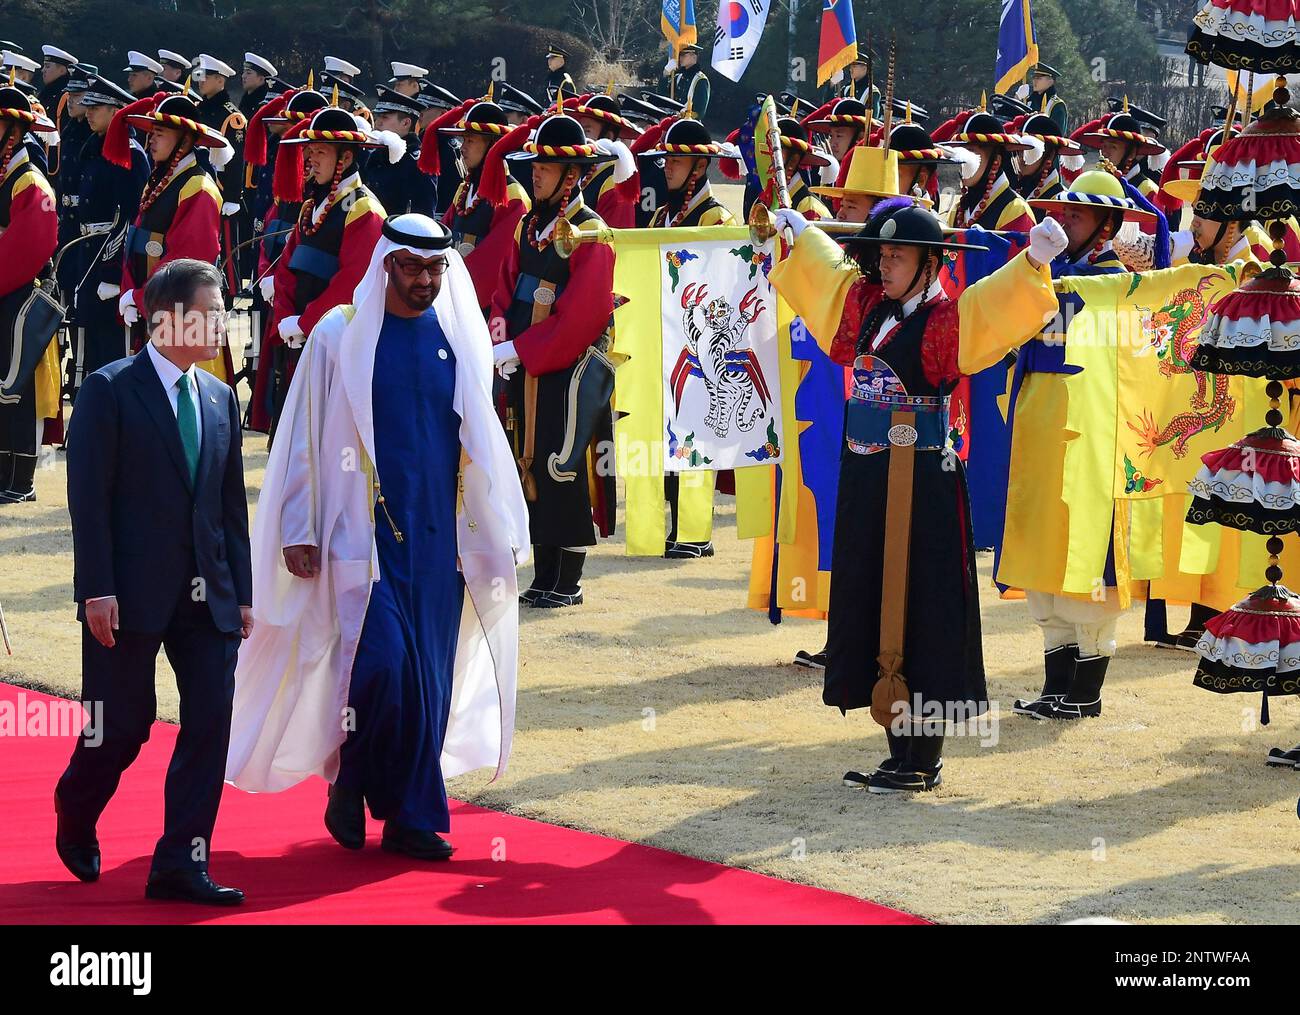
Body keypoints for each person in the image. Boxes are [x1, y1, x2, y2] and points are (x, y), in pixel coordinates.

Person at [226, 214, 527, 859]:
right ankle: (354, 776)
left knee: (431, 681)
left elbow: (482, 435)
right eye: (413, 268)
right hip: (361, 535)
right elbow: (304, 435)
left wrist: (500, 523)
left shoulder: (455, 334)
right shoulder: (339, 334)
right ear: (386, 264)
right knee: (382, 667)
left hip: (439, 537)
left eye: (435, 269)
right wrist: (299, 526)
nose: (425, 281)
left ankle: (413, 817)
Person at [770, 202, 1064, 791]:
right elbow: (832, 278)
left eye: (898, 255)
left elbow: (989, 310)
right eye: (881, 254)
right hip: (866, 476)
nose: (886, 264)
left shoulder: (944, 319)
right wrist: (804, 236)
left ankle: (923, 755)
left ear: (930, 264)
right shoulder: (869, 306)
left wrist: (1033, 261)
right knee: (874, 597)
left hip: (921, 483)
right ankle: (896, 746)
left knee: (920, 605)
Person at [55, 259, 252, 904]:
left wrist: (242, 593)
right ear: (168, 317)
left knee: (209, 722)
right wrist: (96, 589)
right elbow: (89, 499)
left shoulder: (220, 397)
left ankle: (180, 861)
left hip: (208, 598)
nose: (222, 323)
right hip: (130, 593)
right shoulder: (110, 391)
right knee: (122, 726)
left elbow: (228, 510)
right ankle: (77, 802)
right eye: (211, 310)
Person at [1001, 172, 1153, 720]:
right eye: (1063, 215)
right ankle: (1055, 684)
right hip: (1040, 439)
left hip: (1093, 446)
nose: (1064, 223)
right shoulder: (1046, 275)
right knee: (1044, 559)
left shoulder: (1118, 289)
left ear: (1107, 226)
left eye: (1079, 217)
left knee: (1091, 564)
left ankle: (1086, 690)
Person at [488, 114, 616, 606]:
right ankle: (542, 576)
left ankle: (569, 580)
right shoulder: (527, 227)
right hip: (522, 363)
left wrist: (521, 350)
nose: (534, 174)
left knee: (563, 465)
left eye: (545, 167)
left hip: (569, 372)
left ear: (571, 176)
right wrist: (502, 343)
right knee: (529, 461)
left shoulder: (591, 232)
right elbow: (503, 292)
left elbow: (583, 316)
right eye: (535, 165)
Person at [257, 104, 386, 437]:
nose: (310, 159)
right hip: (298, 339)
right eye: (309, 150)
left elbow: (351, 285)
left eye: (320, 151)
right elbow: (286, 268)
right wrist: (285, 319)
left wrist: (303, 324)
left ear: (344, 158)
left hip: (335, 347)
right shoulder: (311, 207)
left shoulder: (364, 211)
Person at [642, 117, 737, 558]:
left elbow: (723, 282)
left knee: (698, 438)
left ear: (699, 168)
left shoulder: (717, 216)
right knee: (672, 439)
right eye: (666, 160)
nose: (667, 168)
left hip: (702, 341)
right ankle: (677, 526)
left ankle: (696, 533)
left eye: (675, 160)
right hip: (667, 338)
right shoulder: (663, 214)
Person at [109, 93, 231, 383]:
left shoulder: (198, 188)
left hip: (183, 316)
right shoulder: (161, 181)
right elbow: (135, 239)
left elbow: (186, 263)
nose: (151, 140)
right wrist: (129, 292)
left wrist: (139, 297)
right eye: (152, 133)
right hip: (154, 307)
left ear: (184, 140)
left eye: (160, 133)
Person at [69, 72, 149, 395]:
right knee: (91, 349)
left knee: (113, 350)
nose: (88, 112)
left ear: (116, 110)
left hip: (109, 261)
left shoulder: (129, 153)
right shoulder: (95, 148)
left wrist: (113, 273)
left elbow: (130, 217)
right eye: (87, 106)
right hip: (88, 254)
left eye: (96, 107)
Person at [0, 85, 59, 504]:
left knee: (16, 386)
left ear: (13, 131)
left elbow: (28, 246)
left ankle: (21, 481)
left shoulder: (30, 180)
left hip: (18, 294)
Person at [435, 98, 530, 309]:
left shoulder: (512, 197)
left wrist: (449, 290)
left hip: (477, 305)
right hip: (450, 290)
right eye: (463, 140)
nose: (462, 148)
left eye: (470, 140)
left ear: (492, 145)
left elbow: (492, 264)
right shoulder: (465, 189)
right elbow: (443, 235)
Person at [193, 55, 247, 294]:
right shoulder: (198, 109)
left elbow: (237, 160)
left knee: (224, 246)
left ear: (219, 80)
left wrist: (233, 197)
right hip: (197, 184)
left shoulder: (232, 116)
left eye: (205, 76)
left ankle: (229, 290)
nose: (200, 80)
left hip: (221, 190)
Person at [937, 110, 1037, 232]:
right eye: (960, 154)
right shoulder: (958, 209)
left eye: (971, 152)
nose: (963, 162)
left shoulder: (1017, 211)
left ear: (996, 161)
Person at [365, 85, 436, 216]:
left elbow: (424, 216)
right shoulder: (376, 155)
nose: (377, 122)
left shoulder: (419, 163)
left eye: (384, 117)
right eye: (378, 116)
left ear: (405, 123)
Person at [668, 44, 710, 117]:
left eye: (683, 55)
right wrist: (665, 73)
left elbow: (699, 112)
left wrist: (681, 116)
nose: (680, 58)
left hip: (688, 124)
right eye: (679, 55)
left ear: (694, 57)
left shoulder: (700, 79)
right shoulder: (678, 77)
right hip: (674, 122)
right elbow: (662, 94)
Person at [1028, 63, 1068, 133]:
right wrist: (1017, 98)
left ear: (1050, 81)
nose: (1035, 81)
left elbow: (1058, 133)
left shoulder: (1057, 105)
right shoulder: (1029, 101)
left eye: (1039, 78)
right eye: (1034, 77)